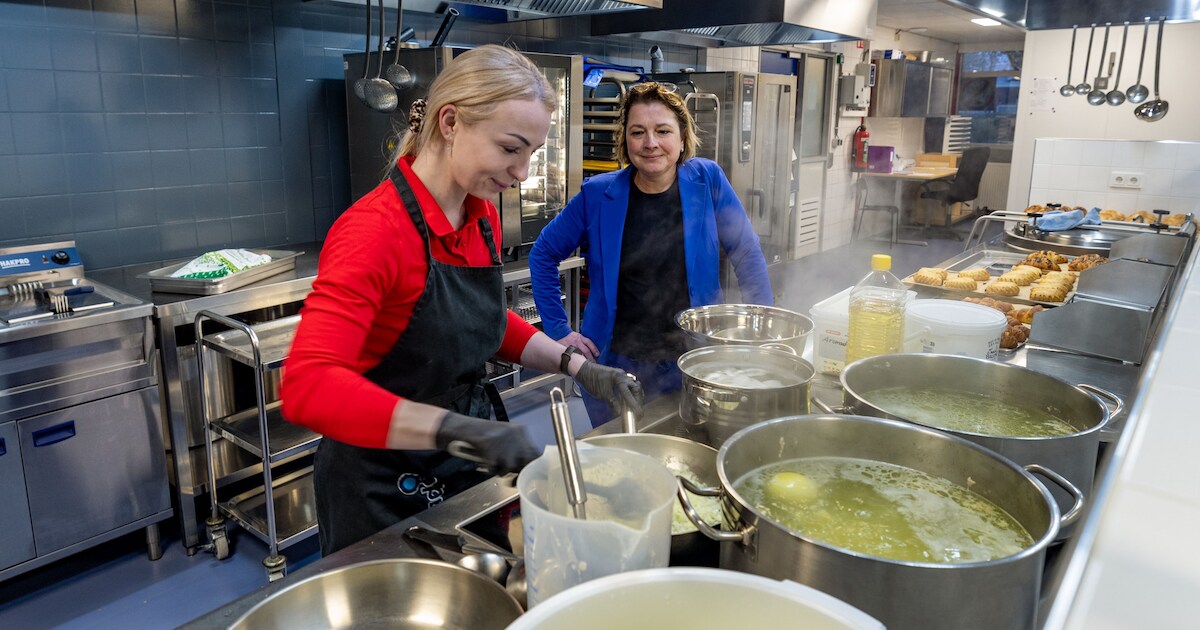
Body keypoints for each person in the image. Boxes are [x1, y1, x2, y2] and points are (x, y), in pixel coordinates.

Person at [281, 45, 642, 556]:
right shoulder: (375, 232)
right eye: (510, 148)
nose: (520, 172)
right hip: (381, 484)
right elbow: (307, 386)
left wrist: (574, 365)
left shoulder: (480, 217)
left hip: (461, 464)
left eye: (532, 154)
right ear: (450, 122)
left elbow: (489, 324)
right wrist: (453, 430)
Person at [529, 81, 772, 427]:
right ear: (625, 140)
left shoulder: (708, 180)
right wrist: (558, 331)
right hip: (615, 364)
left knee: (693, 449)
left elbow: (746, 252)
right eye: (638, 132)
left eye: (663, 131)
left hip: (697, 360)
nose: (651, 143)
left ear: (682, 136)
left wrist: (759, 329)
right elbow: (543, 254)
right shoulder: (598, 195)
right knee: (622, 460)